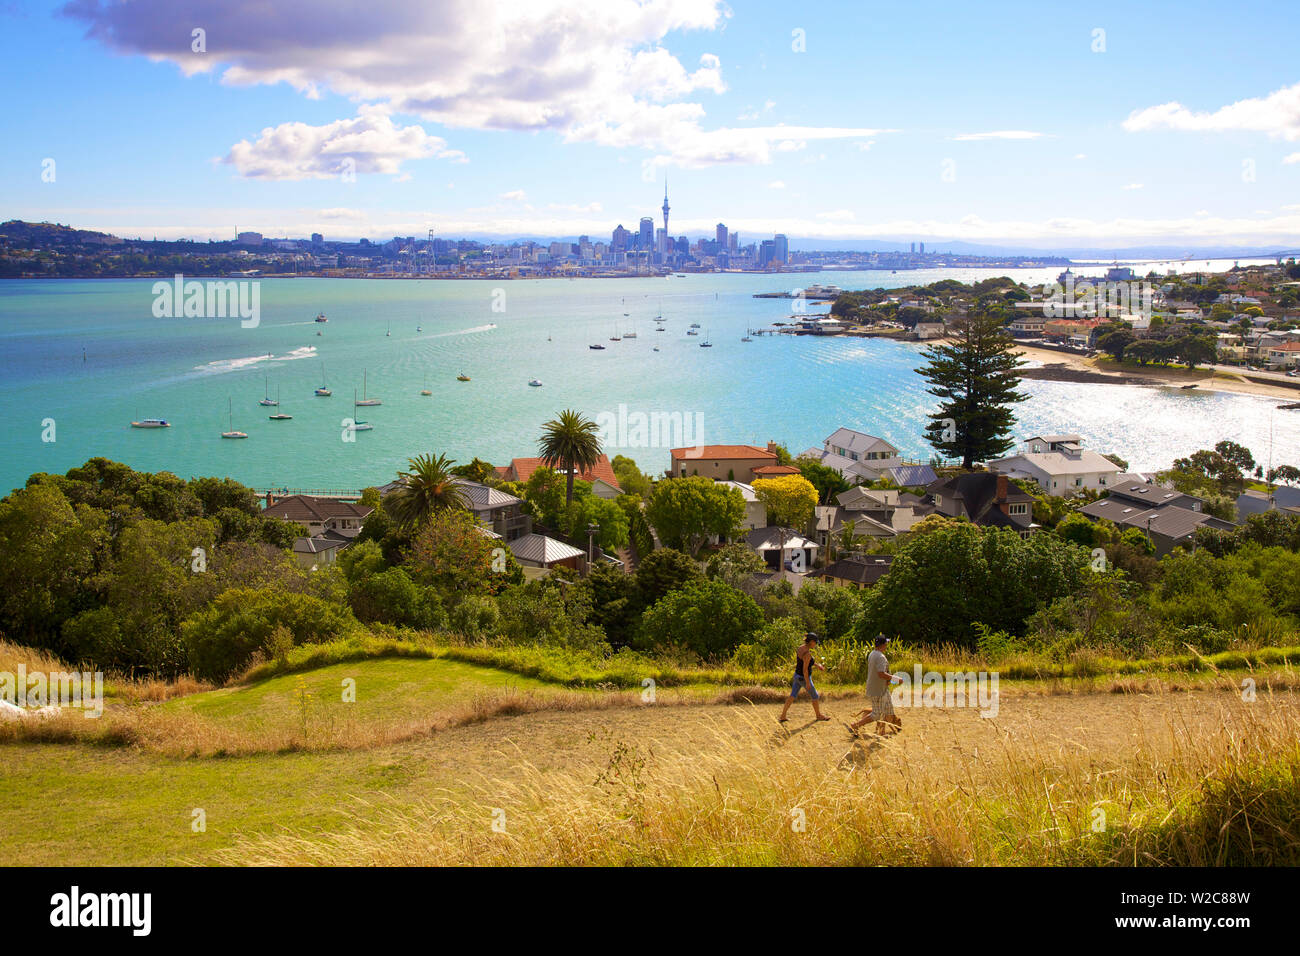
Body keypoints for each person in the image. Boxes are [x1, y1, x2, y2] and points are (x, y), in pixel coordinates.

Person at [849, 634, 902, 735]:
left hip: (881, 688)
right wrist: (896, 679)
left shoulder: (872, 654)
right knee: (876, 714)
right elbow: (881, 674)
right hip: (878, 690)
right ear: (883, 644)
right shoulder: (881, 657)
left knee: (889, 711)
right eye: (886, 643)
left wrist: (891, 681)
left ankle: (881, 732)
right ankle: (856, 725)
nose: (887, 645)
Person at [779, 632, 830, 723]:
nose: (815, 644)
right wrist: (807, 682)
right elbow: (805, 670)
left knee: (792, 696)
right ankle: (818, 715)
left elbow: (805, 662)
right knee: (815, 695)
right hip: (803, 678)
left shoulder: (801, 648)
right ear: (811, 642)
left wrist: (817, 665)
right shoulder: (807, 654)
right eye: (815, 642)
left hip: (796, 676)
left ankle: (783, 715)